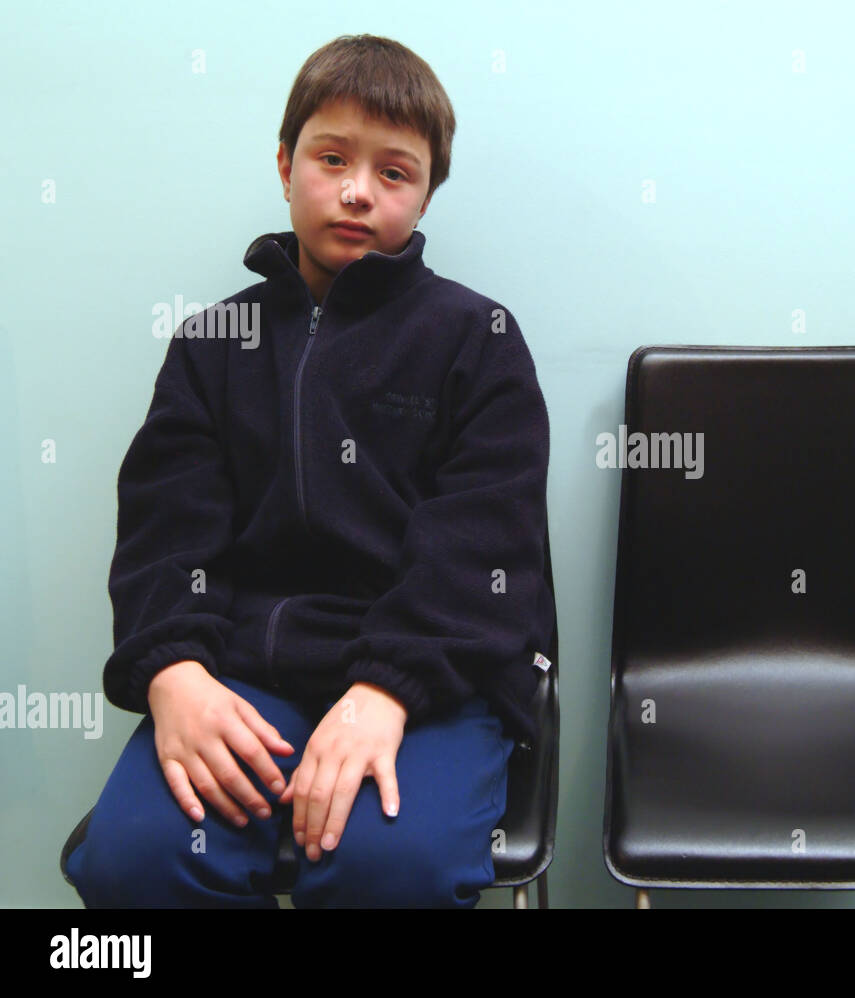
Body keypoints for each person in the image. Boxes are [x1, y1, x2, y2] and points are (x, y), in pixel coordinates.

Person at [65, 34, 556, 908]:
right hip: (244, 674)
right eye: (332, 159)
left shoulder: (476, 340)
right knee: (134, 858)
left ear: (427, 193)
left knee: (387, 866)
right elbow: (164, 532)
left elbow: (485, 547)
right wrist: (174, 675)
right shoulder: (212, 345)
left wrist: (386, 690)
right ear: (286, 164)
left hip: (430, 684)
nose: (359, 190)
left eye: (394, 173)